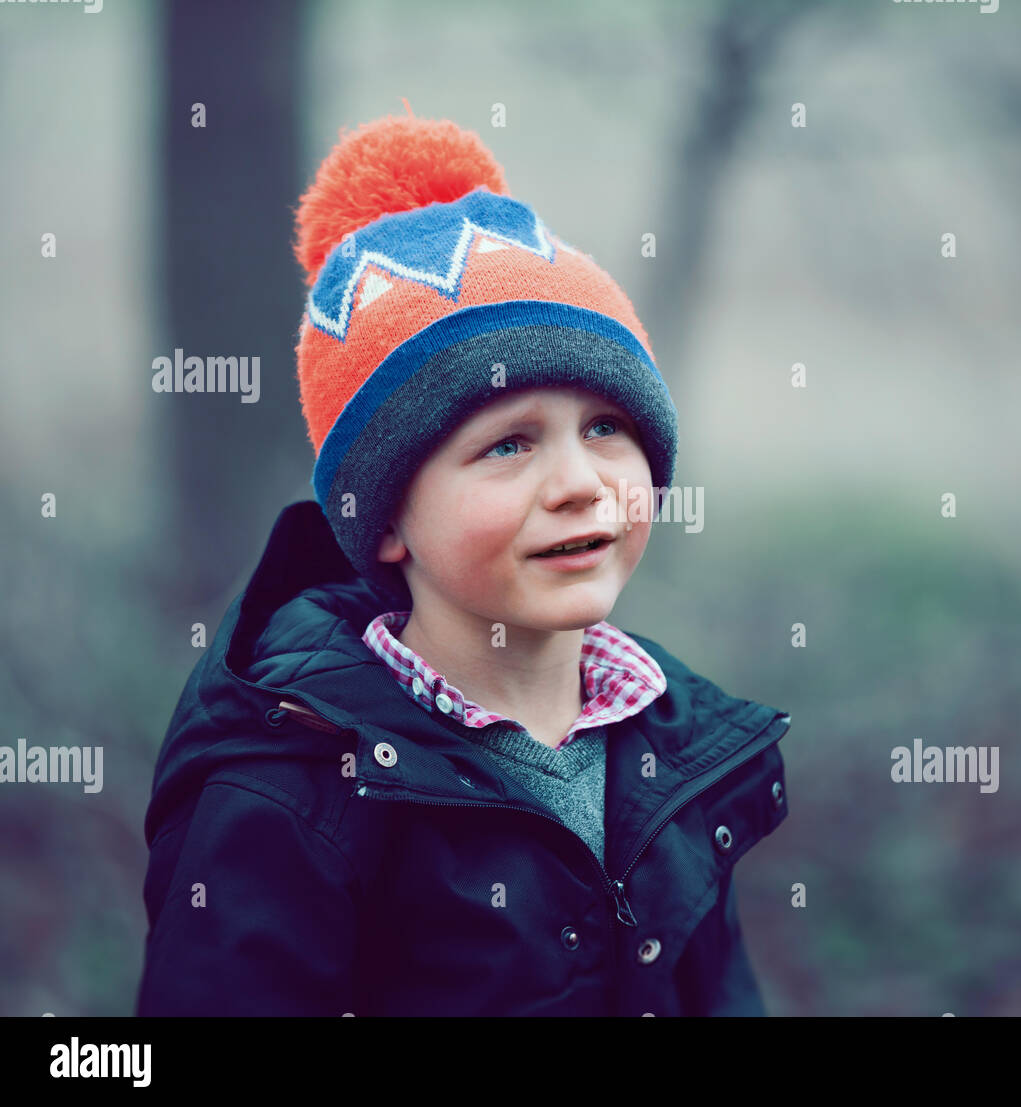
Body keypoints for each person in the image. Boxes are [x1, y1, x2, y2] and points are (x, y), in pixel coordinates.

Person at [135, 111, 793, 1016]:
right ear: (390, 518)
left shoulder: (675, 748)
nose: (579, 483)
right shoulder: (293, 795)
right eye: (509, 446)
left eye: (605, 427)